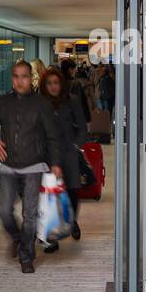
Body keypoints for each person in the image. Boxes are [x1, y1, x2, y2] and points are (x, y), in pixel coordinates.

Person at [0, 60, 63, 273]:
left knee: (30, 214)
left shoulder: (41, 104)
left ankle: (26, 256)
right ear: (12, 78)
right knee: (4, 210)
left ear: (31, 78)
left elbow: (53, 136)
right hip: (8, 166)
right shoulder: (2, 102)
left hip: (34, 166)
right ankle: (17, 237)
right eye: (16, 76)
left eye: (24, 76)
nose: (19, 81)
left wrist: (55, 163)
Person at [39, 66, 87, 253]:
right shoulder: (39, 103)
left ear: (61, 84)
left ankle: (72, 219)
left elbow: (83, 127)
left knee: (73, 191)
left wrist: (76, 146)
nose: (53, 87)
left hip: (68, 153)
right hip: (47, 155)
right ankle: (53, 238)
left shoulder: (72, 101)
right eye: (49, 83)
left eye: (56, 83)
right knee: (50, 196)